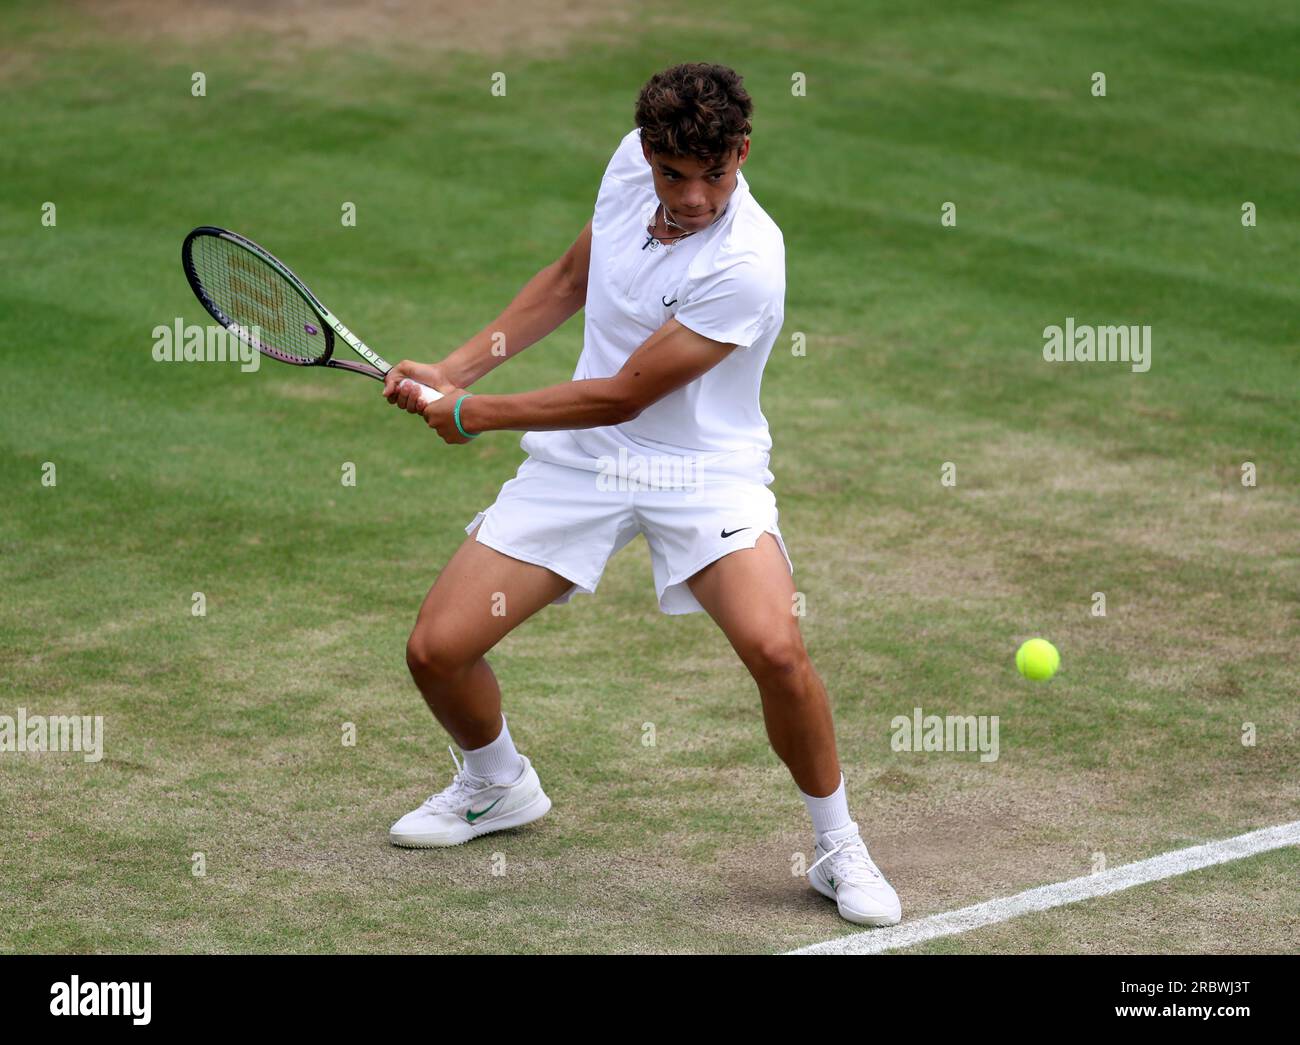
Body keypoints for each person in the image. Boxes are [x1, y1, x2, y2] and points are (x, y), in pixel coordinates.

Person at [382, 62, 900, 927]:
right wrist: (455, 368)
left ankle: (838, 842)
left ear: (741, 151)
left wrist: (474, 413)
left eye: (713, 175)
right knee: (436, 649)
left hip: (702, 472)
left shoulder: (748, 263)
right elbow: (569, 278)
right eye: (673, 175)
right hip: (584, 459)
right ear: (649, 155)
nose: (693, 197)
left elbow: (626, 391)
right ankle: (496, 785)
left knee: (776, 648)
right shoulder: (631, 163)